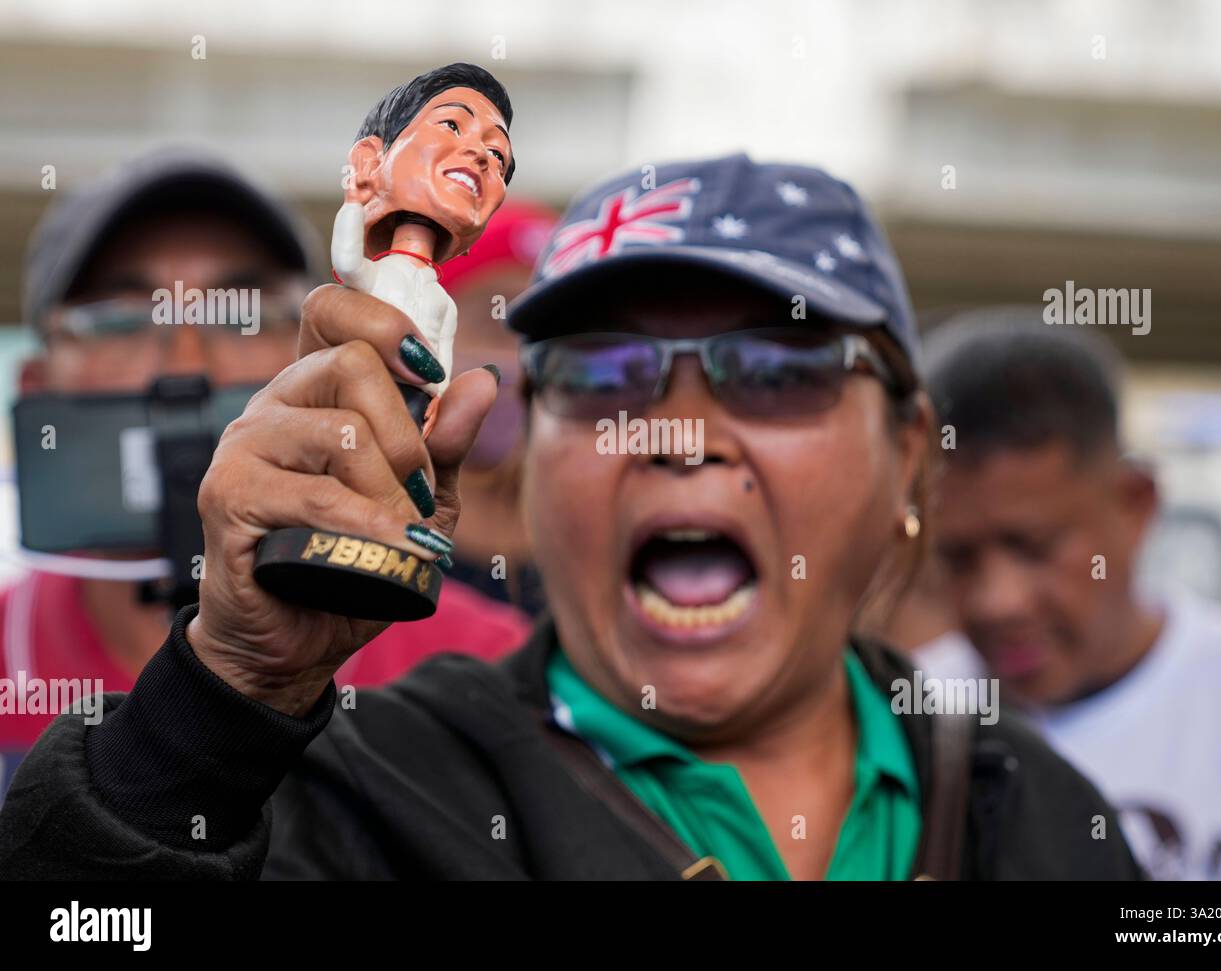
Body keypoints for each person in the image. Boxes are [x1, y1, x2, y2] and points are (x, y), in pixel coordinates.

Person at [0, 155, 1142, 880]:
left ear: (906, 457)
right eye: (604, 375)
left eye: (776, 368)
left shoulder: (1034, 805)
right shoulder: (363, 791)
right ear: (529, 454)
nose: (677, 432)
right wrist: (219, 703)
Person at [0, 149, 529, 788]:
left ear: (327, 347)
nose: (185, 361)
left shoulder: (484, 665)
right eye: (119, 320)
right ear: (34, 383)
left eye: (240, 315)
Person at [918, 312, 1221, 880]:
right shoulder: (913, 717)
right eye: (957, 557)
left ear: (1135, 504)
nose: (997, 602)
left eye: (1034, 548)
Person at [436, 200, 557, 615]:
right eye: (497, 322)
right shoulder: (367, 547)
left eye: (546, 334)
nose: (524, 361)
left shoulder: (606, 568)